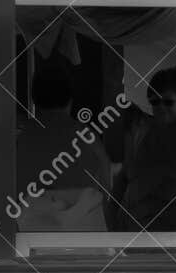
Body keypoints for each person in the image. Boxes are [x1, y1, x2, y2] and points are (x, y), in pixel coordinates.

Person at [12, 62, 113, 231]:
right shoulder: (90, 141)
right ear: (71, 99)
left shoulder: (20, 139)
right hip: (85, 241)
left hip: (31, 240)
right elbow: (106, 197)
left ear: (34, 99)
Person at [119, 65, 176, 232]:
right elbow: (125, 176)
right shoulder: (142, 129)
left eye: (168, 102)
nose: (161, 107)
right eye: (155, 102)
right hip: (140, 223)